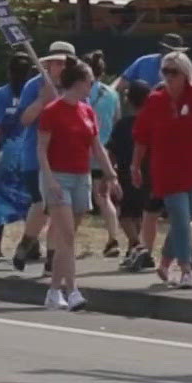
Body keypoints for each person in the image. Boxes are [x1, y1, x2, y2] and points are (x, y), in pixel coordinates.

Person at [131, 41, 192, 288]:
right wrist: (135, 166)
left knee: (183, 221)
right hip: (167, 171)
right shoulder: (155, 100)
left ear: (186, 75)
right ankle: (186, 270)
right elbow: (142, 136)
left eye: (174, 72)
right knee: (181, 218)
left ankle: (164, 262)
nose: (169, 77)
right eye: (165, 71)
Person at [38, 55, 121, 310]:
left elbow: (97, 147)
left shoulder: (87, 112)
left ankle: (53, 291)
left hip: (81, 176)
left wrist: (111, 175)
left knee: (67, 238)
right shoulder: (52, 111)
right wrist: (49, 178)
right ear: (79, 83)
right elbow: (41, 149)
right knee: (67, 236)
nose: (92, 87)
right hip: (58, 177)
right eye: (90, 82)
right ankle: (72, 291)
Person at [11, 43, 70, 272]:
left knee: (59, 208)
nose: (61, 67)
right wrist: (42, 101)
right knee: (43, 204)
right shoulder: (33, 86)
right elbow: (24, 119)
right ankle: (27, 242)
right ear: (47, 64)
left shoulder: (74, 86)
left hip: (64, 158)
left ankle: (52, 258)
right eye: (57, 62)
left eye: (65, 63)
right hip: (35, 157)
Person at [0, 52, 36, 258]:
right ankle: (32, 243)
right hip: (29, 150)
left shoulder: (1, 94)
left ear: (9, 71)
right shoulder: (35, 92)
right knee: (31, 199)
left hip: (6, 153)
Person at [105, 79, 151, 264]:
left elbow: (112, 151)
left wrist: (108, 175)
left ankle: (136, 244)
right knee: (139, 213)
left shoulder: (123, 125)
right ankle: (137, 248)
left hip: (126, 173)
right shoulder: (152, 124)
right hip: (148, 173)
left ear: (128, 100)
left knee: (125, 214)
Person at [84, 51, 124, 258]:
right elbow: (117, 120)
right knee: (103, 196)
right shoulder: (112, 94)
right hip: (104, 151)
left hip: (82, 150)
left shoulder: (80, 93)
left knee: (74, 197)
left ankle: (63, 238)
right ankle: (112, 237)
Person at [115, 32, 185, 98]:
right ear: (162, 49)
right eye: (169, 50)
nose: (174, 54)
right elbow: (122, 83)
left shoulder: (184, 69)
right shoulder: (143, 62)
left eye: (176, 51)